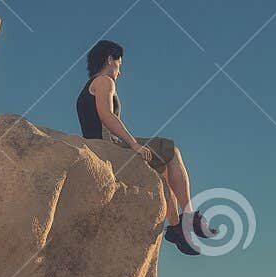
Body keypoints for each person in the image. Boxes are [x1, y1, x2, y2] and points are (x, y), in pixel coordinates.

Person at [76, 39, 217, 256]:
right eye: (119, 65)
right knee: (171, 150)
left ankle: (176, 228)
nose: (119, 72)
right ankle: (188, 215)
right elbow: (107, 116)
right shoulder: (104, 81)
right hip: (107, 147)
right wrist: (133, 144)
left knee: (161, 171)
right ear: (109, 59)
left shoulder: (90, 86)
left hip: (96, 144)